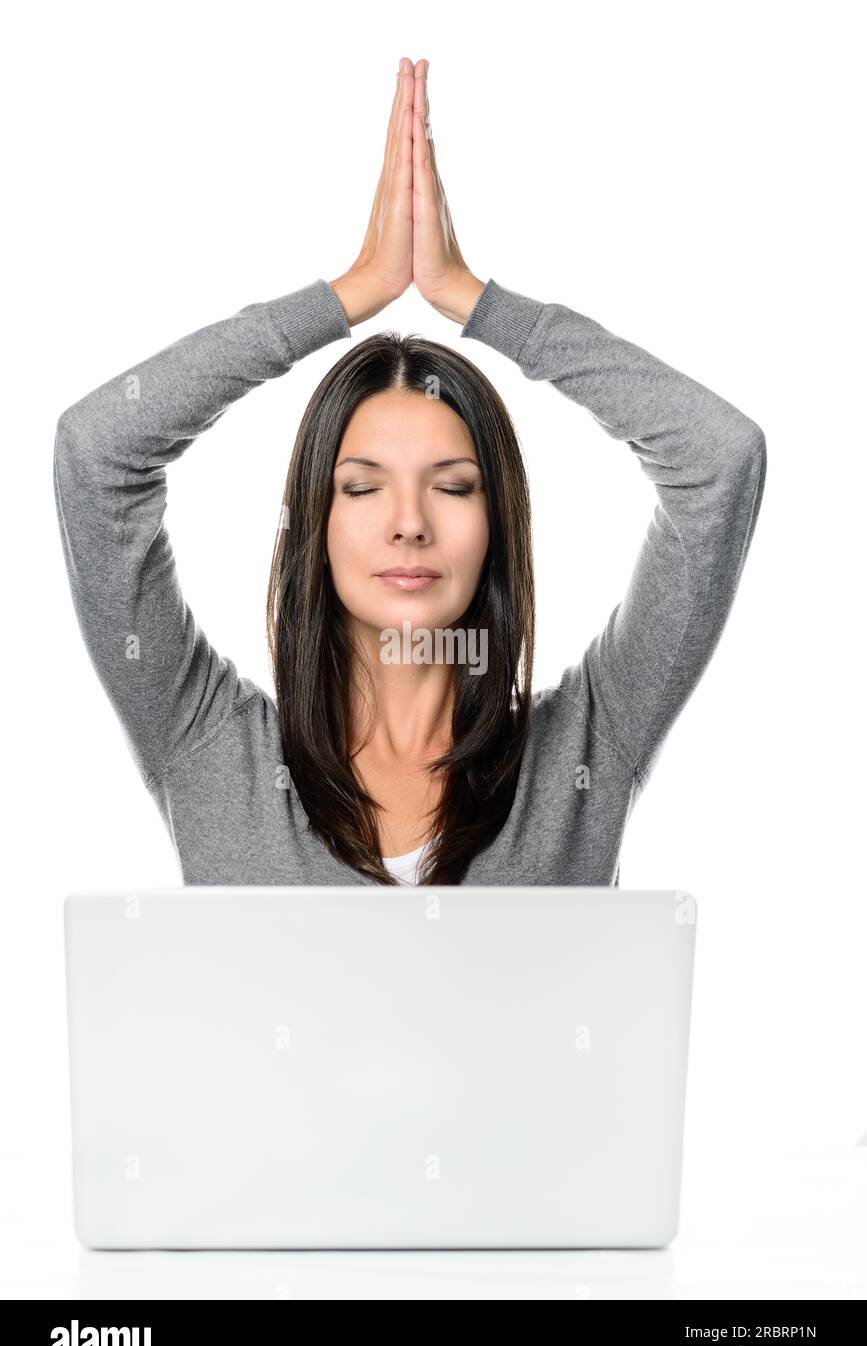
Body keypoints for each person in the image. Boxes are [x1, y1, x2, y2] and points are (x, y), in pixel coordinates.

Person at [53, 57, 766, 888]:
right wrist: (348, 295)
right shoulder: (208, 747)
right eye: (361, 486)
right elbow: (96, 451)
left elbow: (719, 458)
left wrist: (474, 300)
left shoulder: (586, 750)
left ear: (496, 524)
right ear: (313, 528)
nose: (409, 521)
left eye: (453, 485)